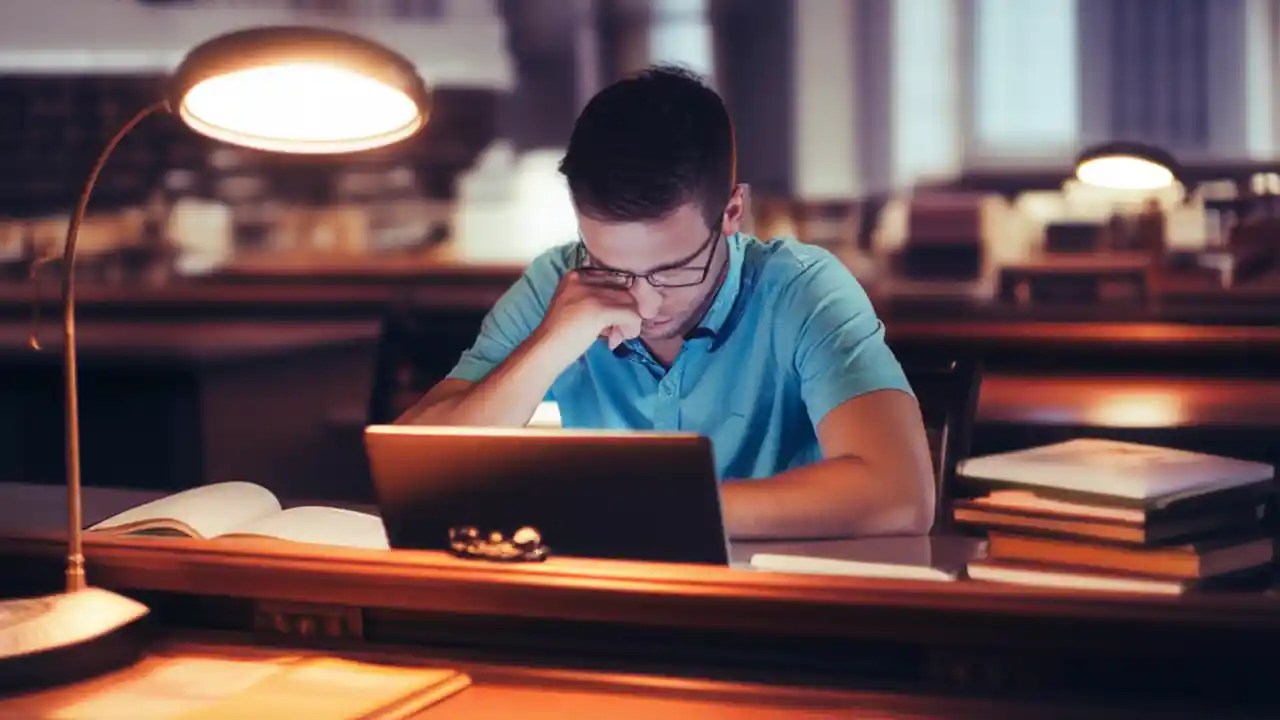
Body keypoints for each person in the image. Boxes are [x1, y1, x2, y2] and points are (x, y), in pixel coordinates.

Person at [397, 66, 934, 540]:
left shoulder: (803, 290)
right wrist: (549, 344)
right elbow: (414, 471)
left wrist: (653, 512)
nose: (643, 300)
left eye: (674, 270)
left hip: (782, 613)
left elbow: (902, 494)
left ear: (732, 211)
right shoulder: (559, 282)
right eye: (612, 267)